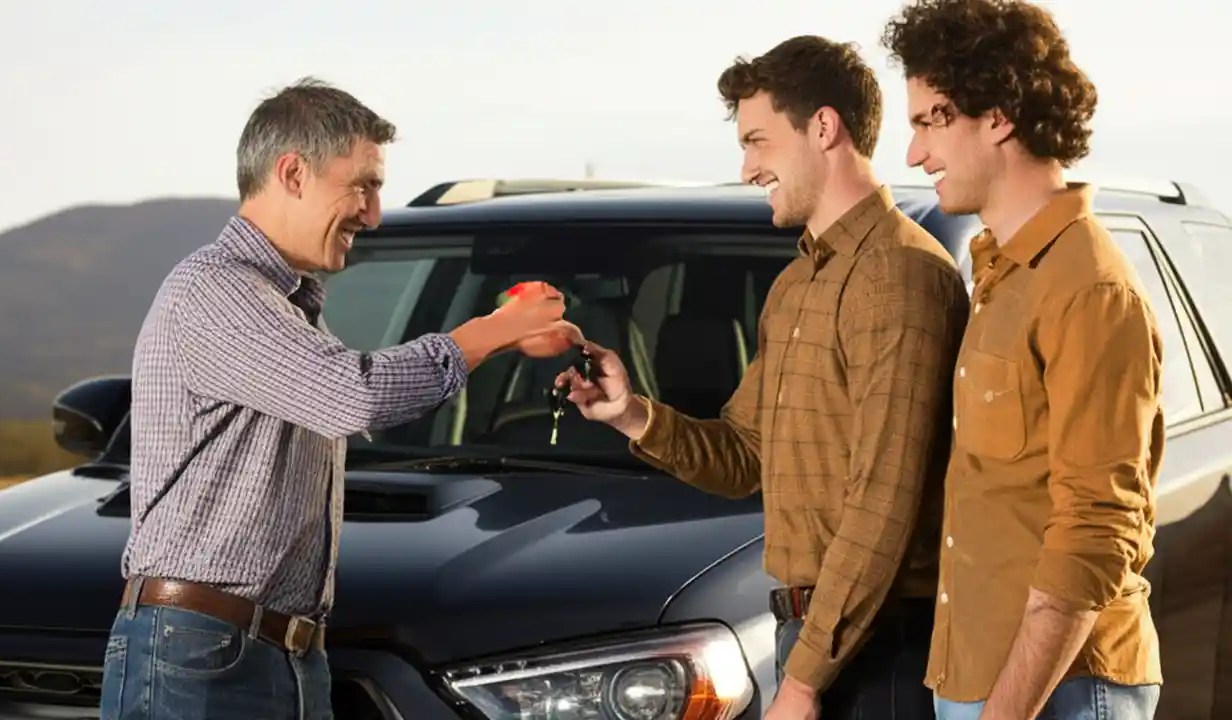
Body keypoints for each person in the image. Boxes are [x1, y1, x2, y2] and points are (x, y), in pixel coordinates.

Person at [98, 78, 576, 720]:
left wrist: (499, 342)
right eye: (363, 185)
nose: (373, 214)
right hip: (200, 658)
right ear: (293, 172)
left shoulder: (286, 307)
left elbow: (351, 384)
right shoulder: (213, 290)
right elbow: (354, 394)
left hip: (279, 655)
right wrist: (490, 331)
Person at [558, 35, 970, 720]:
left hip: (880, 651)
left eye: (758, 141)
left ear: (824, 127)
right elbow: (746, 456)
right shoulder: (797, 285)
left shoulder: (899, 275)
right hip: (808, 638)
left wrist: (805, 683)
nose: (748, 167)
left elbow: (885, 502)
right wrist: (631, 414)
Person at [880, 2, 1165, 719]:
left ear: (1000, 114)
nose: (914, 154)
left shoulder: (1088, 288)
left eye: (931, 120)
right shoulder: (1000, 272)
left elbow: (1097, 529)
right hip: (980, 676)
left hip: (1057, 693)